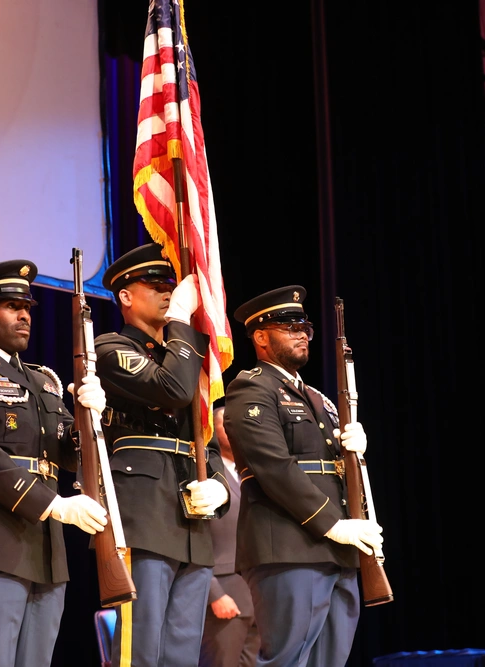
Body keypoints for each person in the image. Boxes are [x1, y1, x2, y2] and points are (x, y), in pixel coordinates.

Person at [0, 259, 109, 667]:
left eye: (27, 307)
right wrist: (54, 504)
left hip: (45, 543)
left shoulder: (43, 379)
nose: (24, 315)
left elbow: (68, 452)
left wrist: (92, 418)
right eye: (11, 306)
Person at [223, 285, 384, 667]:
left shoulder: (318, 398)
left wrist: (358, 457)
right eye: (288, 326)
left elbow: (337, 471)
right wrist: (333, 524)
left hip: (337, 550)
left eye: (305, 328)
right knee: (286, 660)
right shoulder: (251, 388)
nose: (301, 334)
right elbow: (275, 467)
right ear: (260, 337)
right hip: (290, 547)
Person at [94, 242, 232, 667]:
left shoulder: (182, 356)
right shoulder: (109, 348)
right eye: (153, 285)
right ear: (125, 296)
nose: (166, 293)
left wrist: (222, 489)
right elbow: (170, 390)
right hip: (144, 512)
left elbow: (205, 436)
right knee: (140, 650)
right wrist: (179, 325)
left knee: (182, 654)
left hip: (192, 518)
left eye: (169, 285)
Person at [199, 406, 260, 667]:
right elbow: (196, 538)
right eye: (225, 423)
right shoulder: (206, 476)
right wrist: (214, 594)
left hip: (257, 596)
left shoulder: (254, 474)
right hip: (224, 595)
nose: (232, 429)